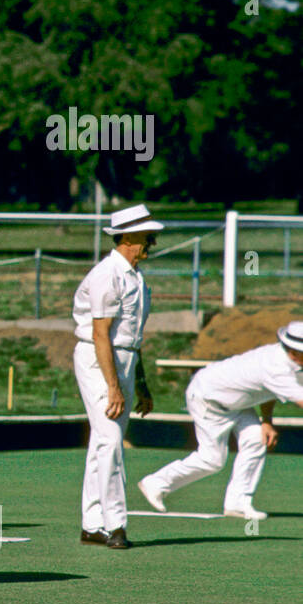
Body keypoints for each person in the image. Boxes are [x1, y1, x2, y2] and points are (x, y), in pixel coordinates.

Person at [139, 322, 303, 520]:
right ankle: (156, 482)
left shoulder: (289, 361)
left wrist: (266, 422)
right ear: (294, 352)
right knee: (212, 460)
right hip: (208, 399)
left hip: (239, 403)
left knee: (256, 438)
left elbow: (268, 391)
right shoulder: (275, 366)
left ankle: (238, 504)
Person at [70, 204, 161, 550]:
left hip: (121, 359)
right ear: (126, 237)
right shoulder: (107, 275)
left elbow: (132, 337)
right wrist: (112, 386)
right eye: (145, 236)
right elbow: (100, 335)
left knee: (102, 442)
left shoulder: (136, 277)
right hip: (97, 359)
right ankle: (116, 525)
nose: (151, 241)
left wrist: (139, 384)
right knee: (110, 439)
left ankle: (92, 524)